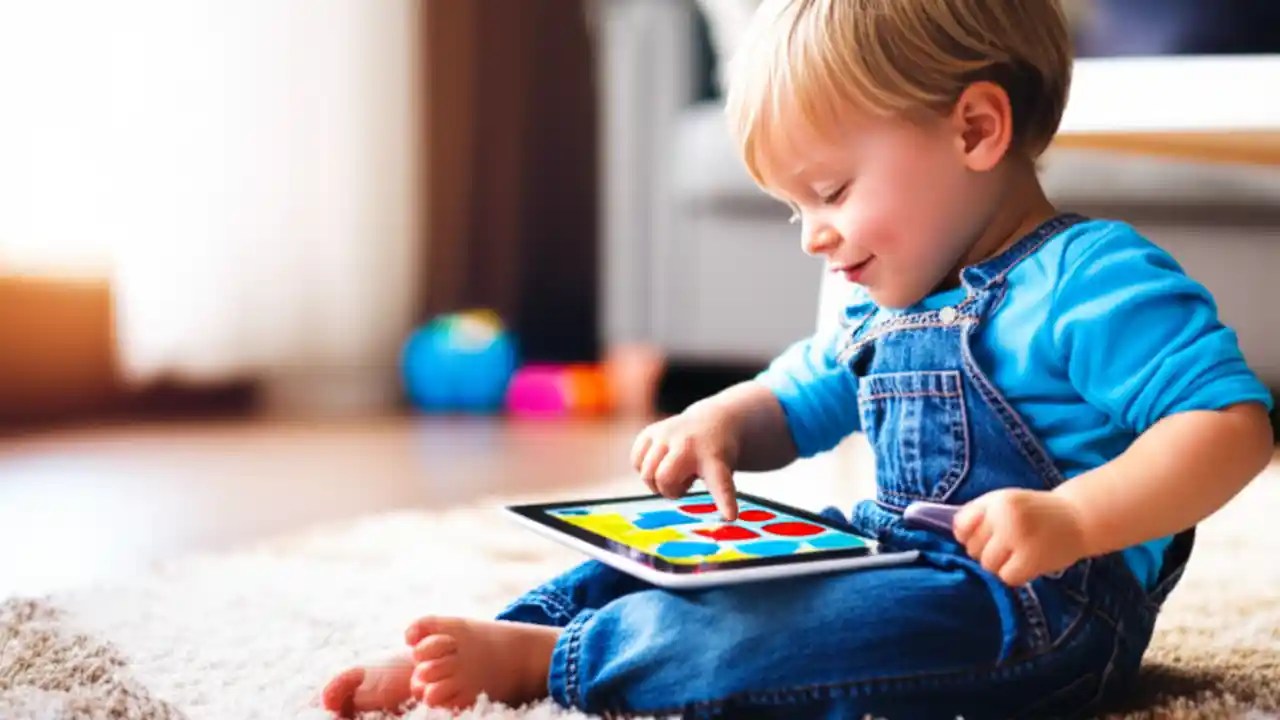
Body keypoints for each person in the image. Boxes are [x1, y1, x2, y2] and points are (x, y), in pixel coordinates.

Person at [321, 1, 1275, 717]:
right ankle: (535, 624)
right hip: (898, 549)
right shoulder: (888, 302)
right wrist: (723, 422)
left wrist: (1074, 516)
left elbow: (1231, 428)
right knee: (705, 563)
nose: (813, 236)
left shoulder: (1090, 275)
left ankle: (555, 665)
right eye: (793, 209)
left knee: (809, 631)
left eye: (831, 190)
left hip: (1044, 613)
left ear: (975, 129)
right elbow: (801, 393)